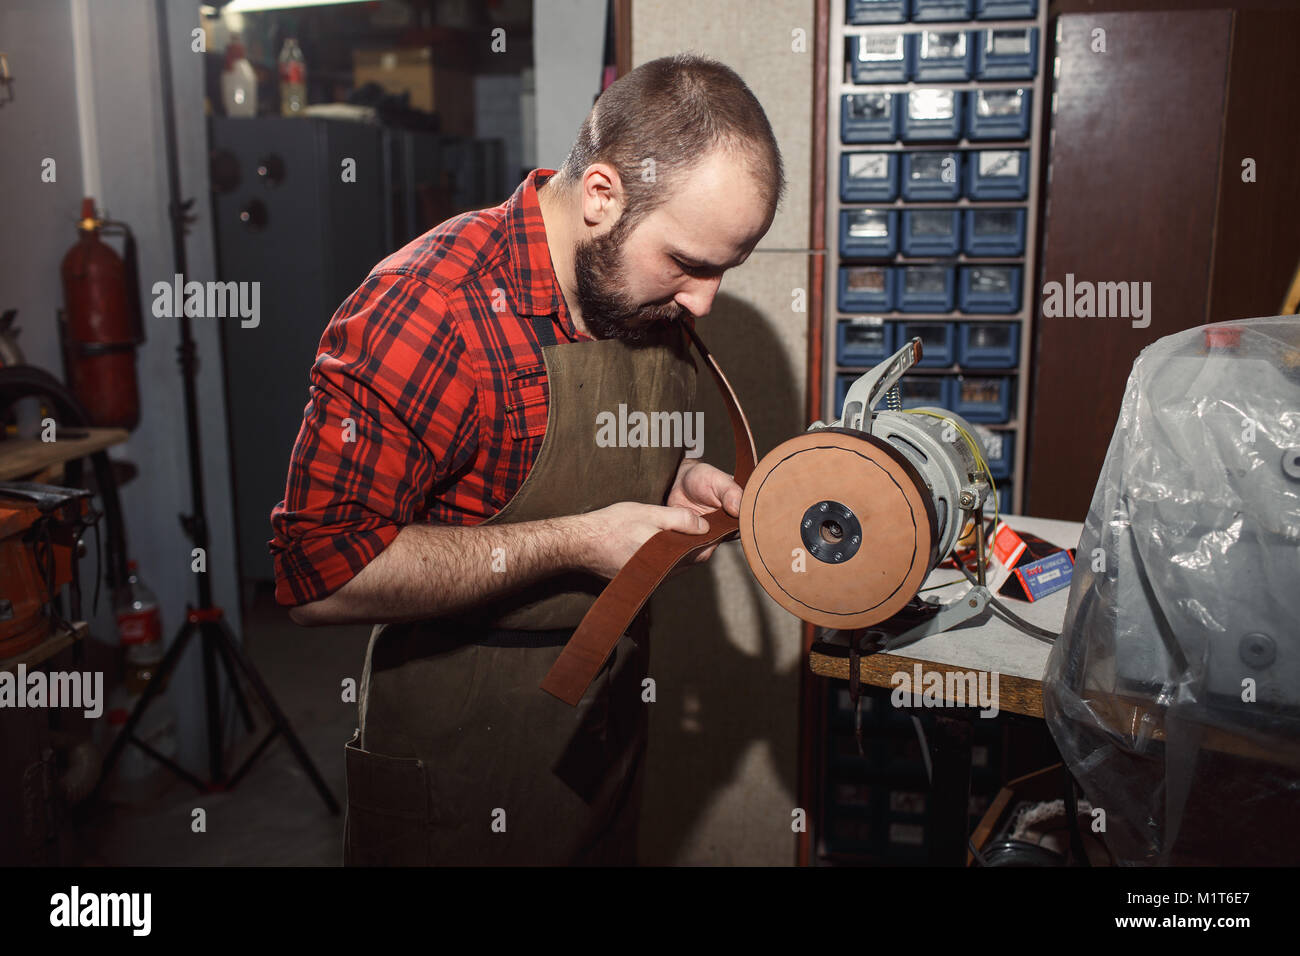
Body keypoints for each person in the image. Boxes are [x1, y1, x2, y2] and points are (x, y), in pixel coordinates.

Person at [269, 52, 784, 865]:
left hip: (603, 733)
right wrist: (576, 541)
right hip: (460, 765)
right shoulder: (427, 311)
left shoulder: (638, 291)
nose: (704, 301)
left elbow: (618, 440)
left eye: (725, 270)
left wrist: (679, 480)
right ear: (603, 196)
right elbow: (316, 576)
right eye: (689, 263)